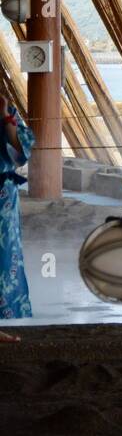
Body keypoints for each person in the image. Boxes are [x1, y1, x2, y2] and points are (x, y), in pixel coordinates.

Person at [1, 95, 35, 341]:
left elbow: (22, 153)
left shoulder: (9, 111)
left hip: (3, 198)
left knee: (5, 256)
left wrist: (5, 117)